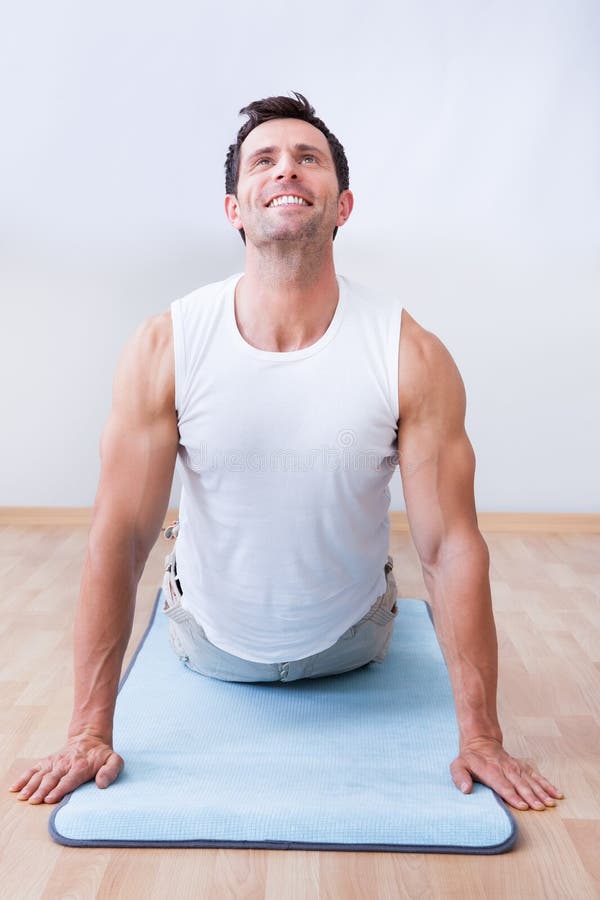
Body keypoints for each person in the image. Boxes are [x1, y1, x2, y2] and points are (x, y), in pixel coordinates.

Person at [10, 92, 563, 813]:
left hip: (357, 642)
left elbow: (451, 546)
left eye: (309, 159)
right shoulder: (166, 346)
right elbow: (118, 540)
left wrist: (482, 737)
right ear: (235, 208)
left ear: (343, 205)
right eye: (263, 160)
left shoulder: (411, 353)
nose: (287, 170)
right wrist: (88, 731)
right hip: (207, 642)